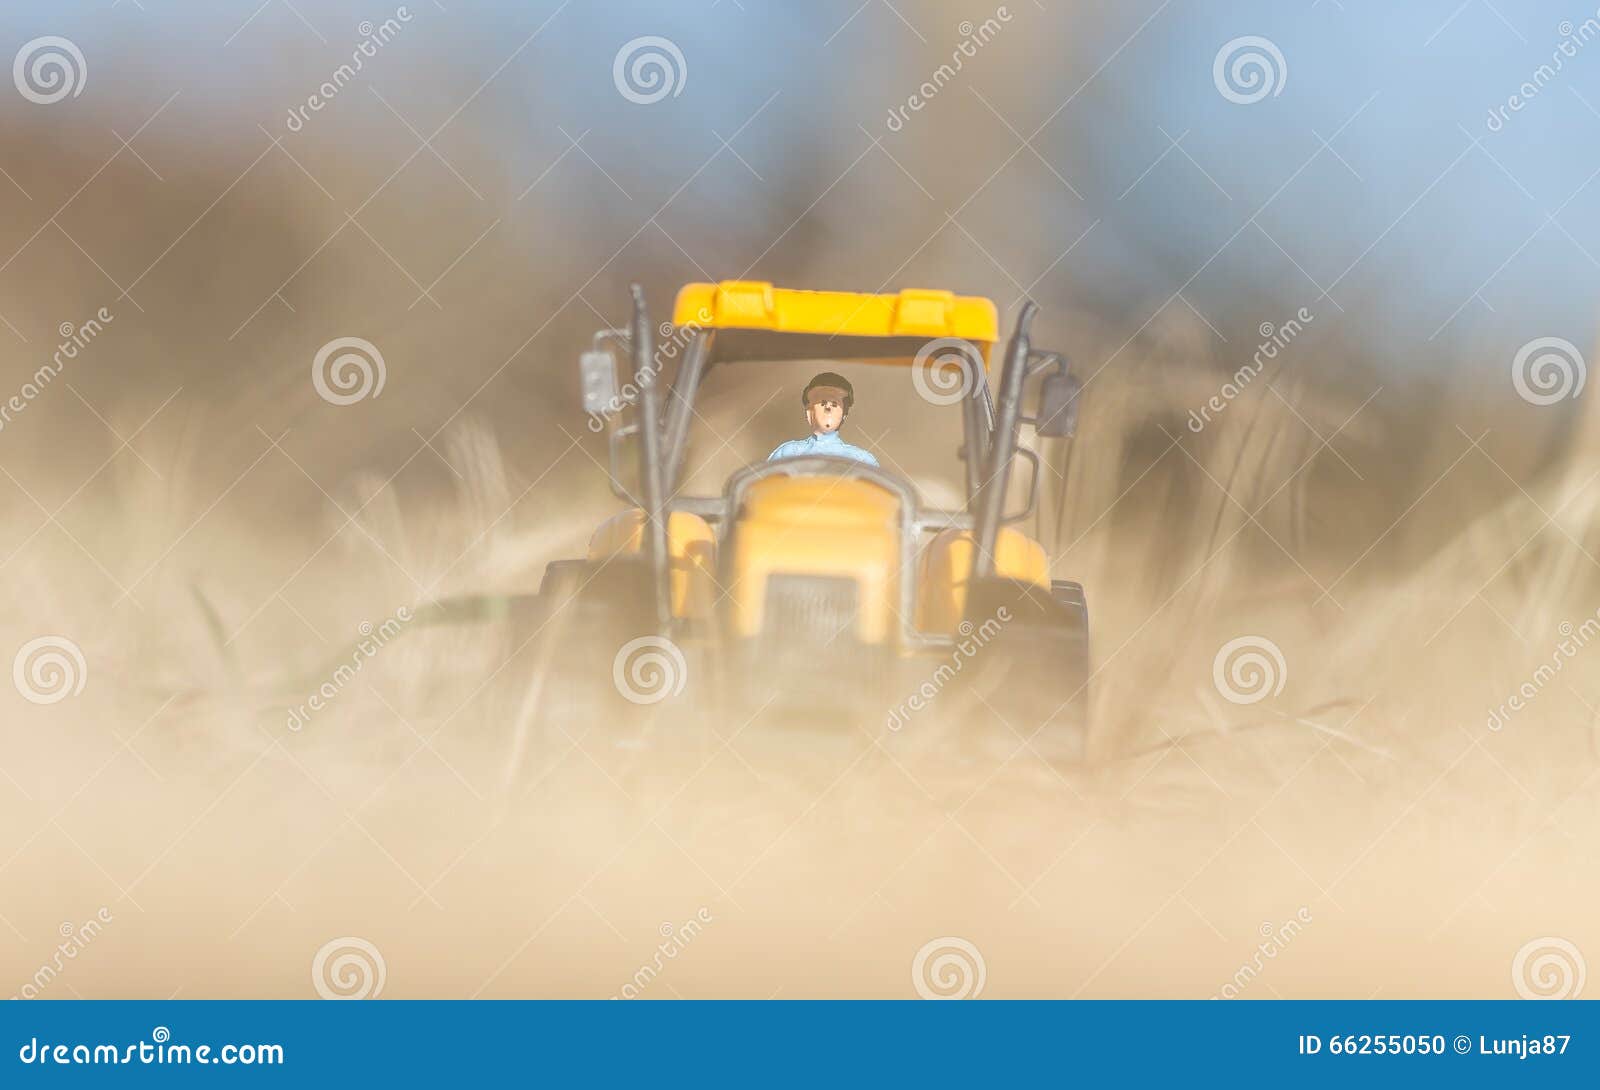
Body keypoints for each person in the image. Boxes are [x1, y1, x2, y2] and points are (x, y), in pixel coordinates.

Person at [766, 372, 879, 467]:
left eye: (835, 404)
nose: (828, 407)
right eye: (822, 403)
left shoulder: (862, 460)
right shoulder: (787, 453)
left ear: (844, 415)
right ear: (809, 412)